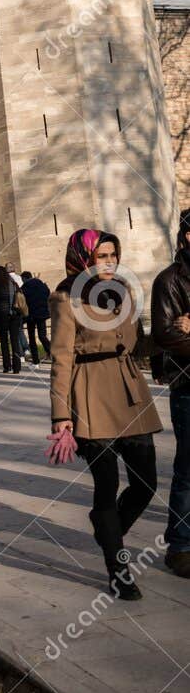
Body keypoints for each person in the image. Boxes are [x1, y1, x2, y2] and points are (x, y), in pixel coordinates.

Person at [50, 228, 160, 600]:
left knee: (146, 483)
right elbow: (61, 358)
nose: (110, 262)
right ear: (84, 259)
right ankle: (119, 568)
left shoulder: (124, 292)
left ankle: (106, 525)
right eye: (101, 256)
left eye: (114, 254)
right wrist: (60, 414)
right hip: (91, 392)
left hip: (130, 391)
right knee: (107, 486)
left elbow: (137, 341)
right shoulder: (66, 298)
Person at [149, 208, 190, 578]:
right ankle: (180, 546)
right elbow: (166, 335)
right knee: (188, 469)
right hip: (189, 386)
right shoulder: (170, 281)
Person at [0, 265, 21, 374]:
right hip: (15, 314)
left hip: (2, 315)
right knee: (15, 341)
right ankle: (17, 367)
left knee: (4, 341)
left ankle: (6, 366)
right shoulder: (14, 283)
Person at [21, 270, 52, 364]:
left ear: (25, 278)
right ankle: (51, 353)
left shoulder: (24, 287)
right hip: (42, 314)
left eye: (22, 279)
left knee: (32, 337)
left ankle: (36, 360)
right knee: (42, 335)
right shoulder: (41, 285)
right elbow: (47, 294)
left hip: (31, 315)